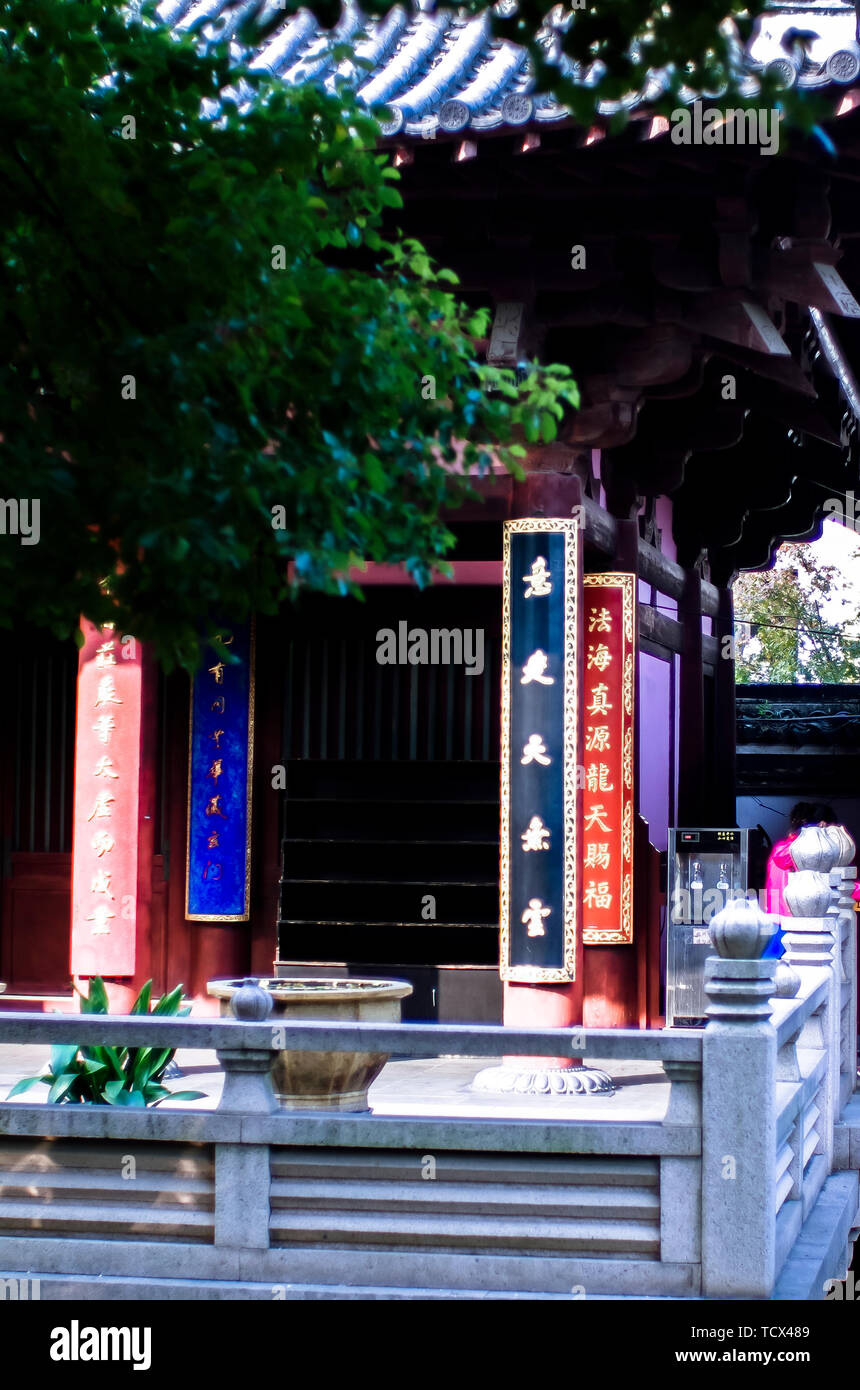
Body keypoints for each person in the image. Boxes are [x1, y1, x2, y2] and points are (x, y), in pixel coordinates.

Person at [763, 802, 838, 958]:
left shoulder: (784, 847)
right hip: (789, 920)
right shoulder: (804, 851)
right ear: (822, 825)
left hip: (778, 916)